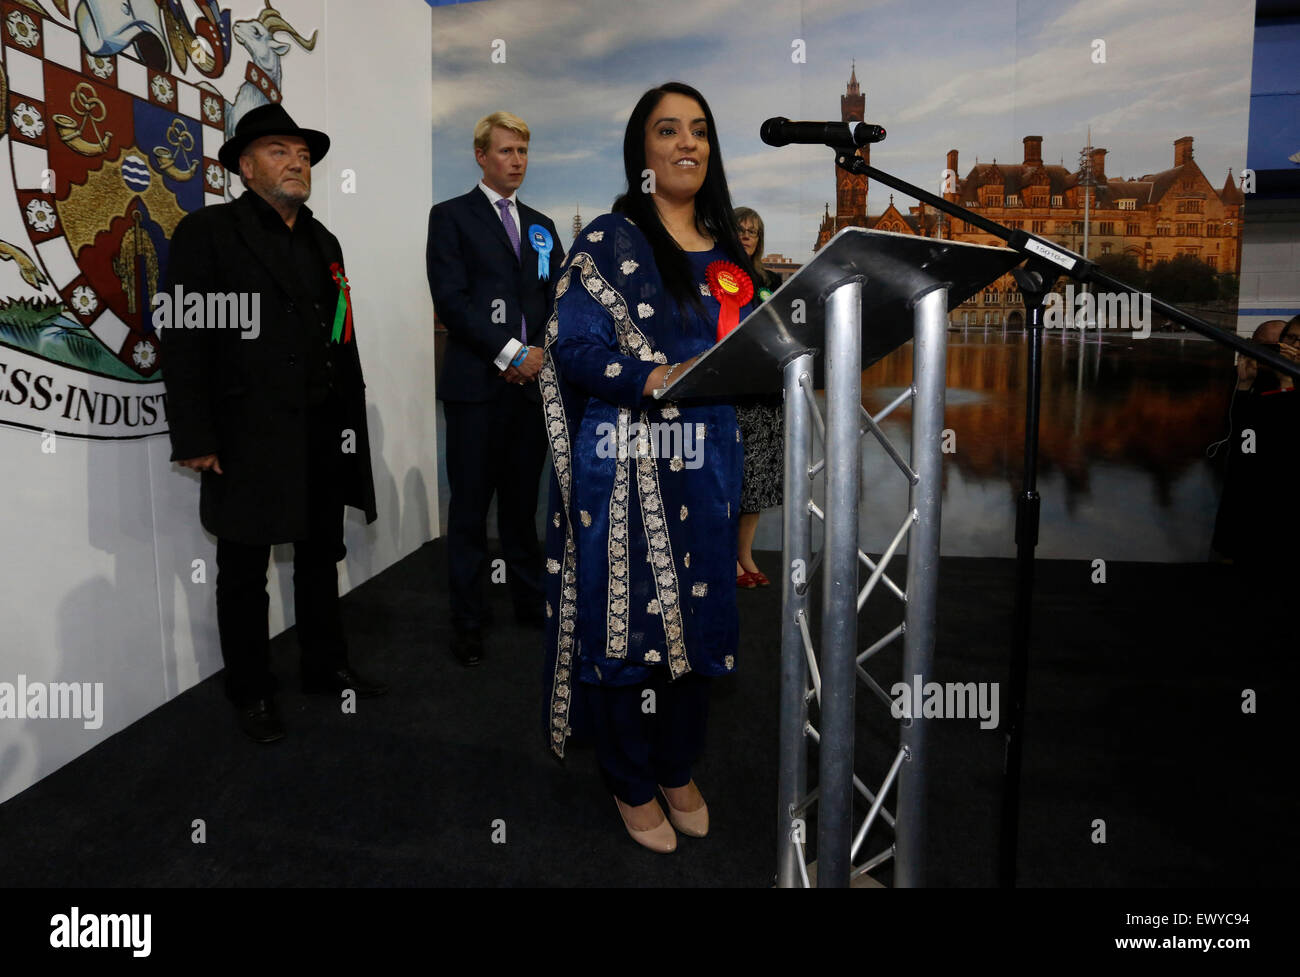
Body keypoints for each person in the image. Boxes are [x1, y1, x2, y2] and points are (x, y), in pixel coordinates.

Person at [540, 82, 757, 853]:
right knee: (630, 627)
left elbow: (746, 361)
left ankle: (675, 764)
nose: (687, 144)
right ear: (642, 152)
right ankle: (629, 778)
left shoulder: (729, 251)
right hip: (631, 466)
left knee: (698, 623)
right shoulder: (607, 241)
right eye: (668, 131)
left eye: (699, 129)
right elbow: (572, 348)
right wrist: (650, 377)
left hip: (708, 468)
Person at [163, 104, 383, 744]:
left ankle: (326, 665)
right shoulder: (208, 233)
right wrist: (197, 435)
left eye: (304, 154)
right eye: (281, 150)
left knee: (320, 555)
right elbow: (183, 339)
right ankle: (250, 690)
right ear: (244, 164)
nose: (298, 162)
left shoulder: (325, 242)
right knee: (243, 570)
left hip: (321, 431)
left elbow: (340, 335)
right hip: (245, 436)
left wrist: (349, 422)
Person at [426, 112, 565, 667]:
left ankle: (529, 601)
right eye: (506, 151)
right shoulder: (450, 217)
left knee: (519, 507)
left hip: (530, 391)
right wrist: (510, 353)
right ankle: (468, 619)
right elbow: (452, 301)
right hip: (476, 388)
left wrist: (538, 358)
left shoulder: (542, 225)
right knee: (468, 510)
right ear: (481, 156)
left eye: (523, 152)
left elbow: (555, 300)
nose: (516, 161)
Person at [732, 206, 784, 588]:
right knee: (729, 481)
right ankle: (725, 559)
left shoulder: (772, 281)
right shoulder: (711, 276)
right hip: (727, 394)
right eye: (741, 229)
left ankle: (745, 555)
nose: (747, 236)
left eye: (753, 231)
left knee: (757, 483)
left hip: (765, 397)